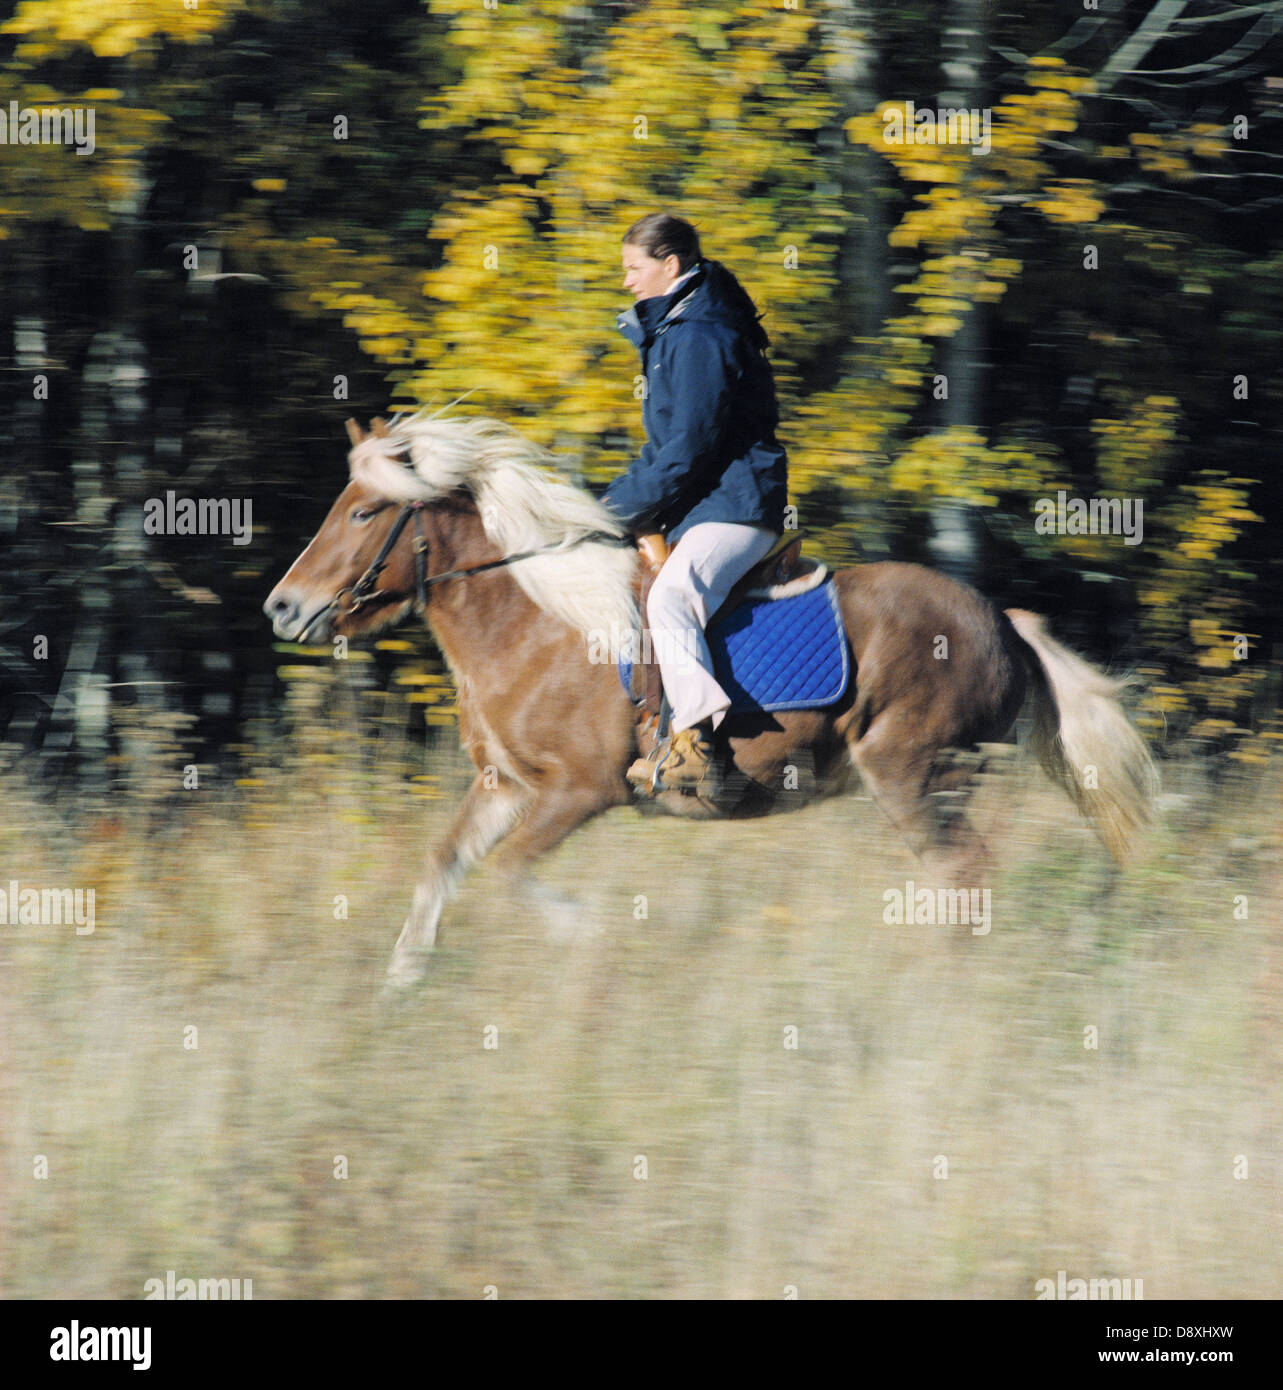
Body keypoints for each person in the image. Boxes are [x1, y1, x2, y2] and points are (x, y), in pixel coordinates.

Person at [603, 213, 789, 796]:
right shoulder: (677, 332)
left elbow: (686, 452)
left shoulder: (699, 335)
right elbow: (666, 451)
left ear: (670, 266)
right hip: (705, 505)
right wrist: (607, 504)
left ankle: (695, 745)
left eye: (635, 269)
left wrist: (612, 514)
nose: (628, 282)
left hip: (736, 507)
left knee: (673, 594)